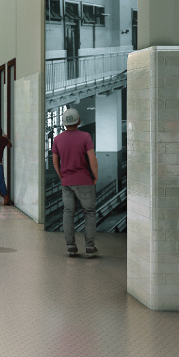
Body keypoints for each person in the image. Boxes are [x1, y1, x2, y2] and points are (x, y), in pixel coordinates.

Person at [50, 107, 99, 258]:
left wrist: (62, 176)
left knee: (68, 212)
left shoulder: (57, 139)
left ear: (64, 124)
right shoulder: (85, 137)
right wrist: (95, 176)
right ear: (79, 121)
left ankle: (71, 246)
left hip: (67, 182)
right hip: (84, 181)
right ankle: (90, 247)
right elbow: (92, 159)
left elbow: (55, 162)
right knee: (89, 213)